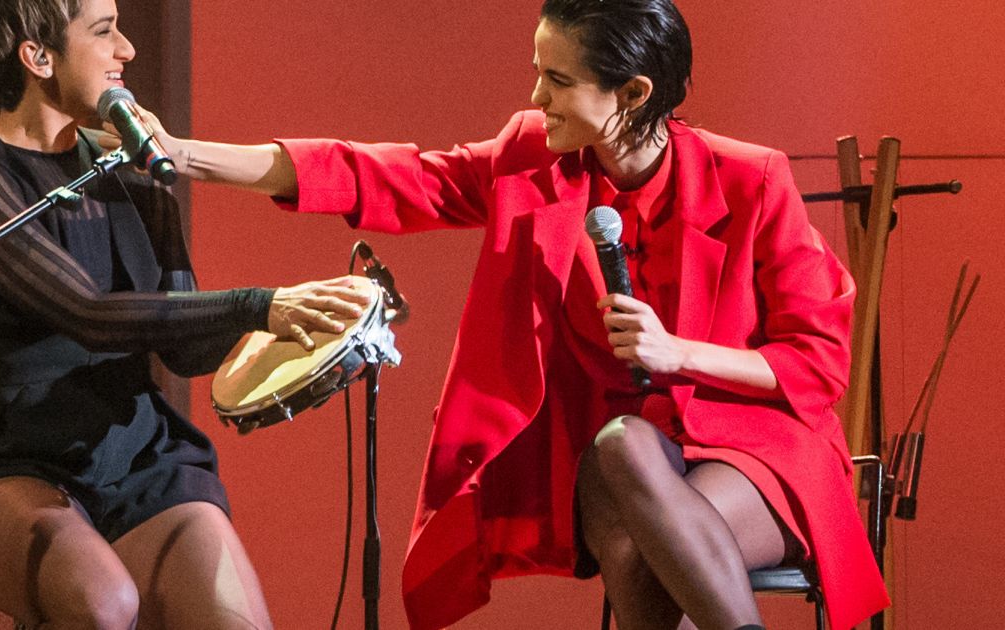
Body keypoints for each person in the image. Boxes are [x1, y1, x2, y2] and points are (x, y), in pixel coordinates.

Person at [110, 1, 891, 628]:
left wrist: (677, 352)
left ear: (632, 94)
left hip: (753, 447)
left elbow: (816, 364)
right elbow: (386, 176)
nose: (535, 97)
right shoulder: (533, 159)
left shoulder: (751, 179)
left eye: (556, 79)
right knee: (619, 459)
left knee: (636, 524)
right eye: (535, 73)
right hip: (623, 459)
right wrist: (186, 155)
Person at [0, 1, 371, 628]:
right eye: (104, 31)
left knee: (235, 620)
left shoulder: (135, 174)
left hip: (136, 451)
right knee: (104, 603)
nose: (126, 49)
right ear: (37, 56)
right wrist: (259, 305)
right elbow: (88, 314)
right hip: (7, 458)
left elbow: (183, 352)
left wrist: (305, 340)